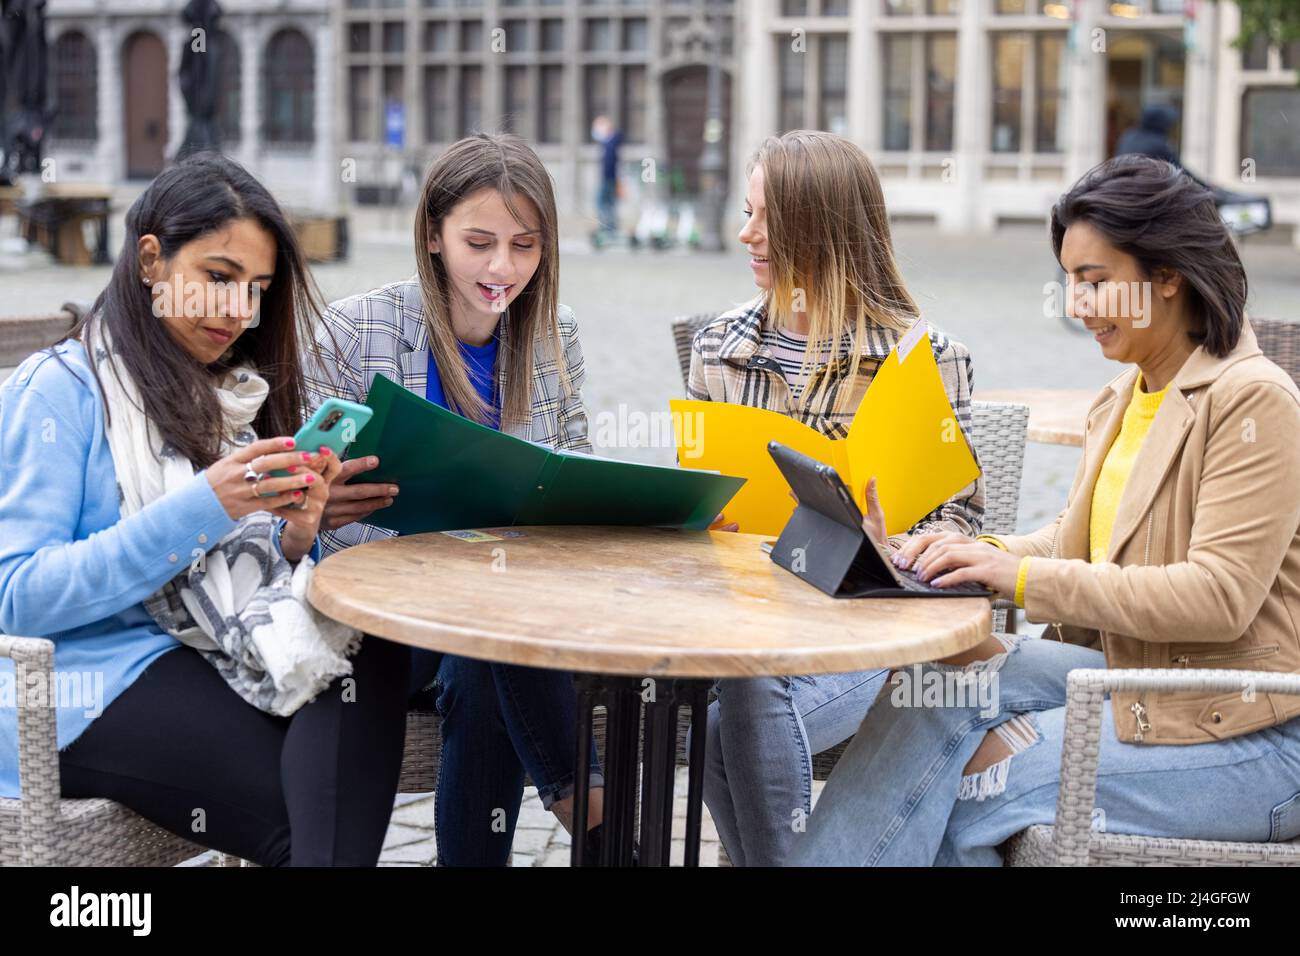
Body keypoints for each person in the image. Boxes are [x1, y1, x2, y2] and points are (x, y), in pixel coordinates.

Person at [790, 154, 1300, 866]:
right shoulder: (1125, 397)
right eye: (1070, 282)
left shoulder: (1254, 401)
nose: (1076, 307)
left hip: (1248, 732)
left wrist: (1015, 578)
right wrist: (943, 552)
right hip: (1133, 680)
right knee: (929, 688)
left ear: (1168, 276)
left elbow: (1217, 599)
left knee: (972, 787)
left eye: (1095, 283)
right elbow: (1076, 541)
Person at [0, 154, 410, 866]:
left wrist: (294, 534)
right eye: (218, 279)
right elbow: (17, 598)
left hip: (201, 654)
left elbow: (235, 580)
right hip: (78, 682)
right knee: (313, 813)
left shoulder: (225, 394)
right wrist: (203, 506)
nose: (240, 312)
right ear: (152, 261)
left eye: (256, 288)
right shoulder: (59, 390)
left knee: (365, 651)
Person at [306, 133, 610, 866]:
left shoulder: (553, 336)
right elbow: (325, 525)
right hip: (380, 623)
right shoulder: (354, 332)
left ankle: (578, 815)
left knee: (484, 654)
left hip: (502, 622)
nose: (502, 268)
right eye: (479, 242)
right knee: (492, 632)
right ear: (434, 236)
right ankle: (594, 818)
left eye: (525, 245)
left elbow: (575, 479)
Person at [685, 130, 985, 866]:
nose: (745, 234)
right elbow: (700, 502)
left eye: (766, 219)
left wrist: (901, 546)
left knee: (737, 705)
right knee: (729, 693)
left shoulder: (924, 358)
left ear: (822, 231)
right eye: (747, 212)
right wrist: (705, 516)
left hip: (871, 630)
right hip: (754, 613)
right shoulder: (719, 345)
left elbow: (964, 527)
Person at [591, 115, 624, 246]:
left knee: (602, 203)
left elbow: (609, 164)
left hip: (608, 179)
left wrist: (611, 180)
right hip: (610, 179)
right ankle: (610, 229)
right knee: (609, 204)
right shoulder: (609, 143)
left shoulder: (610, 144)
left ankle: (608, 229)